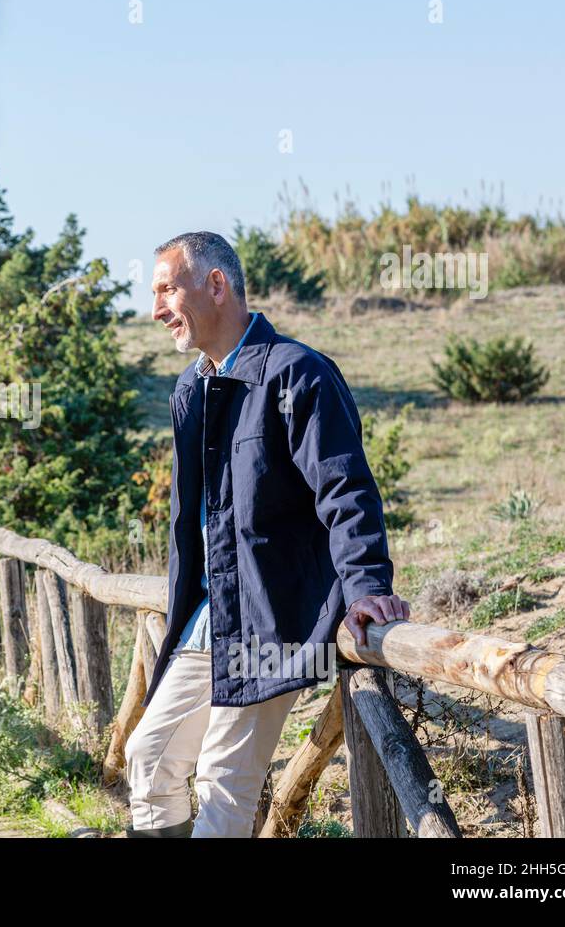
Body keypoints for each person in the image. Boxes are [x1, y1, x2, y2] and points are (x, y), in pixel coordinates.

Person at [125, 231, 410, 837]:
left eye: (166, 289)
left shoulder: (298, 375)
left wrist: (366, 587)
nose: (155, 311)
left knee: (222, 782)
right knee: (147, 757)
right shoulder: (190, 389)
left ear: (216, 284)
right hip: (208, 617)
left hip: (272, 618)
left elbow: (345, 490)